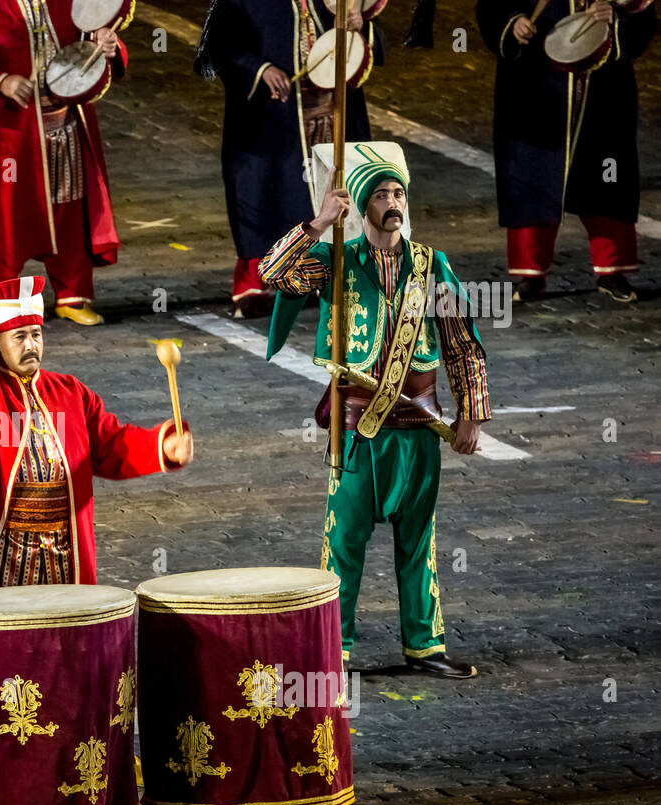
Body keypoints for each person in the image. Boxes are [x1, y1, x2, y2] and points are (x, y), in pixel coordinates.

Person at [259, 145, 490, 678]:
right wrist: (318, 223)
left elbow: (462, 341)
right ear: (362, 205)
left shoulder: (432, 264)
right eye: (381, 194)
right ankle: (331, 650)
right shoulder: (334, 256)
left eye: (398, 193)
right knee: (344, 540)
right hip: (358, 426)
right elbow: (272, 274)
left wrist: (472, 415)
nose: (392, 202)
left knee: (419, 538)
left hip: (418, 425)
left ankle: (425, 645)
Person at [0, 234, 193, 597]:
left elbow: (112, 443)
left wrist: (163, 446)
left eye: (36, 335)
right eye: (19, 336)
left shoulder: (70, 393)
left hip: (61, 559)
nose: (30, 345)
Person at [0, 0, 126, 327]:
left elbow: (88, 33)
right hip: (9, 132)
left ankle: (73, 293)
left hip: (63, 121)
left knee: (70, 210)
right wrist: (0, 82)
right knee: (3, 220)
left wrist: (106, 43)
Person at [194, 0, 383, 317]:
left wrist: (360, 26)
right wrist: (260, 68)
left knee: (338, 191)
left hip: (333, 113)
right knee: (268, 195)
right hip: (273, 117)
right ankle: (261, 279)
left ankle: (333, 273)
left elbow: (370, 43)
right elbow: (217, 48)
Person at [477, 0, 655, 303]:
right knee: (531, 175)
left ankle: (612, 270)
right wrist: (512, 20)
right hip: (533, 81)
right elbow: (489, 6)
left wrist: (616, 18)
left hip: (604, 84)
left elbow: (643, 16)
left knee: (607, 175)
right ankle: (529, 273)